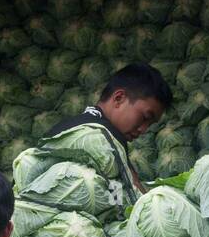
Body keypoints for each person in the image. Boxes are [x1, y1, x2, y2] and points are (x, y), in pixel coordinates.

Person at [49, 61, 172, 195]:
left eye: (150, 125)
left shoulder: (67, 127)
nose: (143, 129)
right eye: (145, 117)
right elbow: (124, 198)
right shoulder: (106, 137)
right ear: (119, 98)